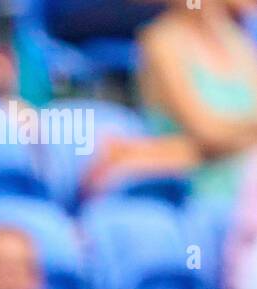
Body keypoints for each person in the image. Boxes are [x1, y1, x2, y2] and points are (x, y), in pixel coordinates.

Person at [87, 0, 257, 202]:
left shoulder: (236, 40)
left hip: (240, 181)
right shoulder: (162, 40)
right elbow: (207, 133)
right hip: (194, 192)